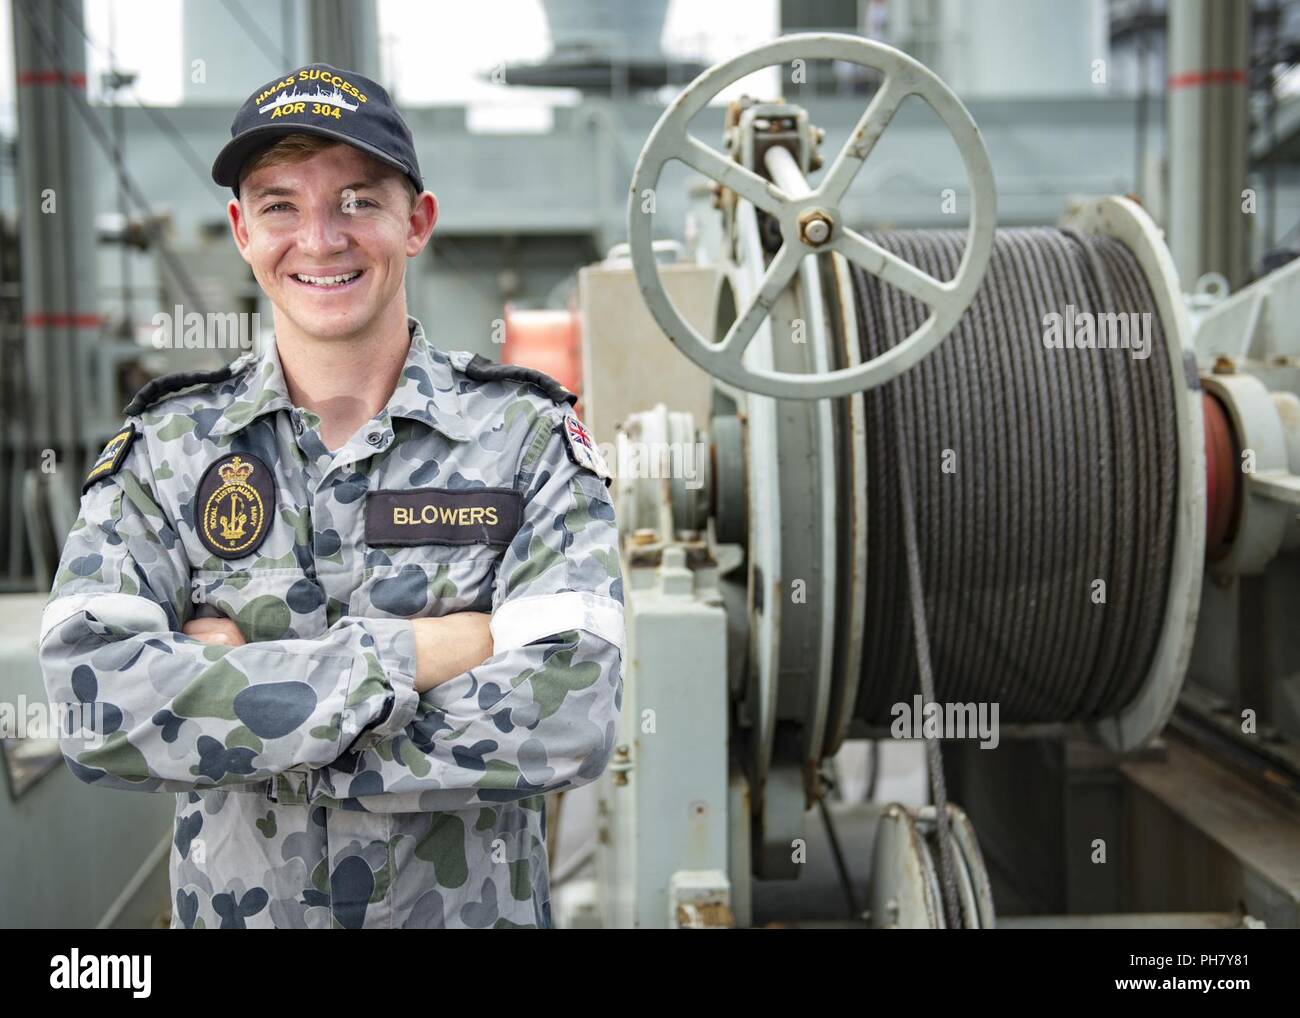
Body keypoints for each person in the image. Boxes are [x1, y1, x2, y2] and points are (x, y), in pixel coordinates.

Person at [38, 63, 625, 929]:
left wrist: (234, 696)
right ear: (242, 229)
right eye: (280, 204)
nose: (319, 238)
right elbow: (93, 704)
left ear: (415, 221)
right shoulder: (169, 450)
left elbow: (571, 711)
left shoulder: (524, 437)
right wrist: (419, 657)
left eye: (357, 200)